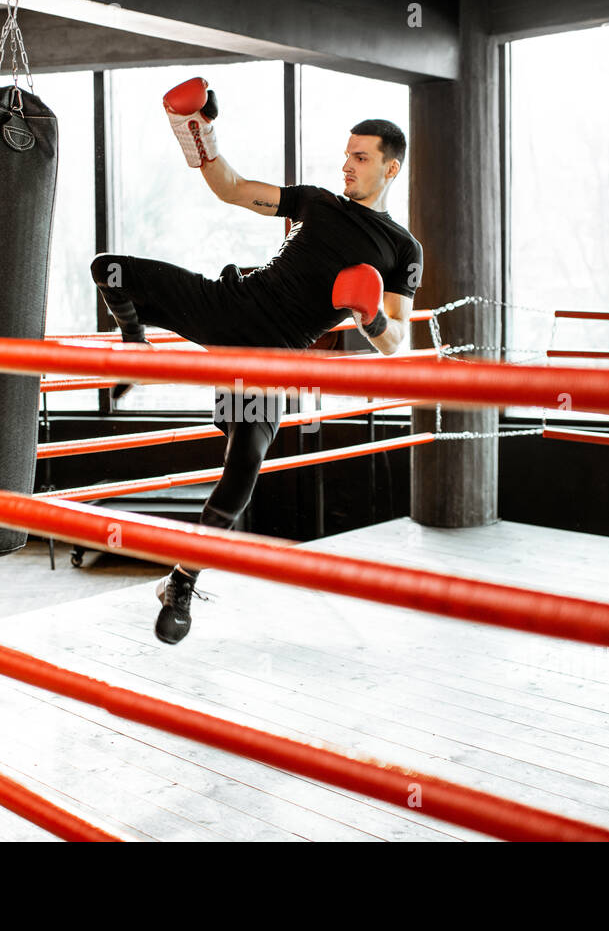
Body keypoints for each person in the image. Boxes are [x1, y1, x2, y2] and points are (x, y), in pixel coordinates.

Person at [90, 76, 423, 645]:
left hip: (273, 356)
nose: (348, 165)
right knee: (110, 268)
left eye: (361, 158)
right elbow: (233, 188)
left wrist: (368, 317)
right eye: (346, 154)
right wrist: (196, 132)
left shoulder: (401, 249)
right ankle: (134, 343)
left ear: (390, 169)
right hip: (230, 306)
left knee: (243, 468)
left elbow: (397, 343)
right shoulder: (315, 201)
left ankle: (182, 580)